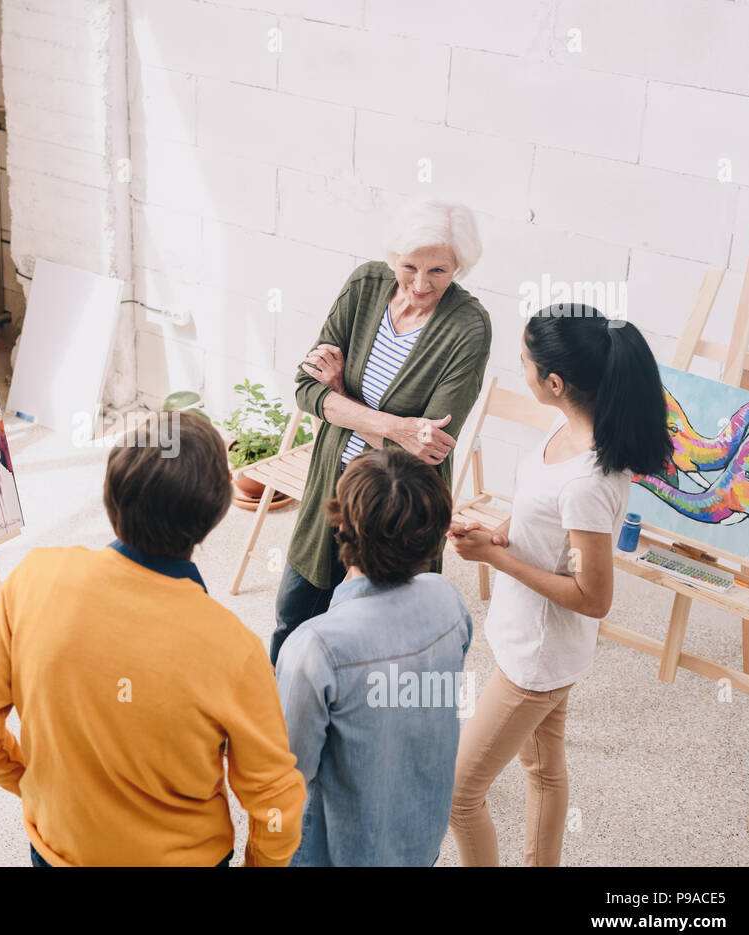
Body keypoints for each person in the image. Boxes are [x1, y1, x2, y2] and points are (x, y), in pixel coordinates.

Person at [0, 410, 306, 866]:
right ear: (213, 517)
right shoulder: (235, 649)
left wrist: (33, 783)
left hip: (57, 850)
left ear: (110, 492)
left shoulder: (33, 578)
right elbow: (276, 804)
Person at [446, 305, 672, 866]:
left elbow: (593, 597)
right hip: (535, 642)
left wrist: (495, 562)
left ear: (554, 382)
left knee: (457, 795)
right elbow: (540, 519)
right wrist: (498, 534)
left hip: (536, 660)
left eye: (524, 359)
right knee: (543, 770)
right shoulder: (565, 427)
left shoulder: (589, 482)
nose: (518, 364)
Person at [274, 197, 492, 667]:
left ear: (460, 267)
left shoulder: (467, 326)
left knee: (379, 647)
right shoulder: (366, 284)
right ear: (393, 256)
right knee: (294, 620)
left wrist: (342, 399)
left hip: (398, 506)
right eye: (409, 266)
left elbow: (426, 452)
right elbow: (305, 388)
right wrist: (395, 426)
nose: (419, 284)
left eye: (439, 271)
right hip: (331, 487)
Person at [277, 448, 473, 866]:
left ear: (343, 525)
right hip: (420, 839)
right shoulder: (449, 602)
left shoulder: (314, 647)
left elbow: (289, 774)